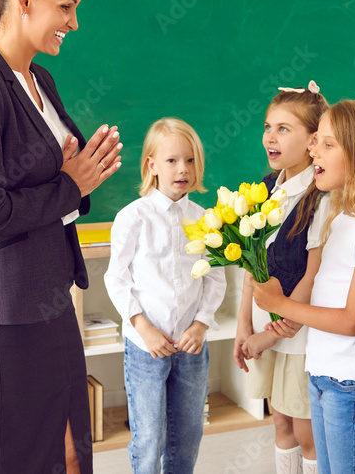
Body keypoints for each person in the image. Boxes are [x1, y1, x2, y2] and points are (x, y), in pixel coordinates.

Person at [0, 0, 123, 473]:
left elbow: (60, 179)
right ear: (24, 0)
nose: (74, 20)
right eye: (65, 6)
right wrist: (69, 183)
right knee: (7, 457)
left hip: (47, 298)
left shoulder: (39, 78)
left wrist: (80, 172)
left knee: (68, 447)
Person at [254, 100, 355, 474]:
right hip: (322, 372)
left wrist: (280, 305)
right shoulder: (339, 217)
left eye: (327, 144)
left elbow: (353, 321)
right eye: (316, 141)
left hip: (351, 382)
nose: (313, 149)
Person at [104, 117, 227, 473]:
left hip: (190, 346)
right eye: (172, 160)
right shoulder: (133, 217)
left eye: (190, 160)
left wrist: (201, 324)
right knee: (148, 438)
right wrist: (144, 328)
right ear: (151, 165)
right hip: (146, 347)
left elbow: (215, 279)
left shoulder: (204, 219)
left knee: (188, 436)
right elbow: (116, 278)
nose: (182, 169)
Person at [234, 82, 329, 474]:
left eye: (284, 129)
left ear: (312, 141)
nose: (270, 137)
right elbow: (248, 265)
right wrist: (243, 326)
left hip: (297, 336)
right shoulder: (264, 189)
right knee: (280, 422)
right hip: (261, 329)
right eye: (268, 126)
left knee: (306, 432)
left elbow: (310, 283)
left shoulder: (321, 196)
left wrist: (266, 335)